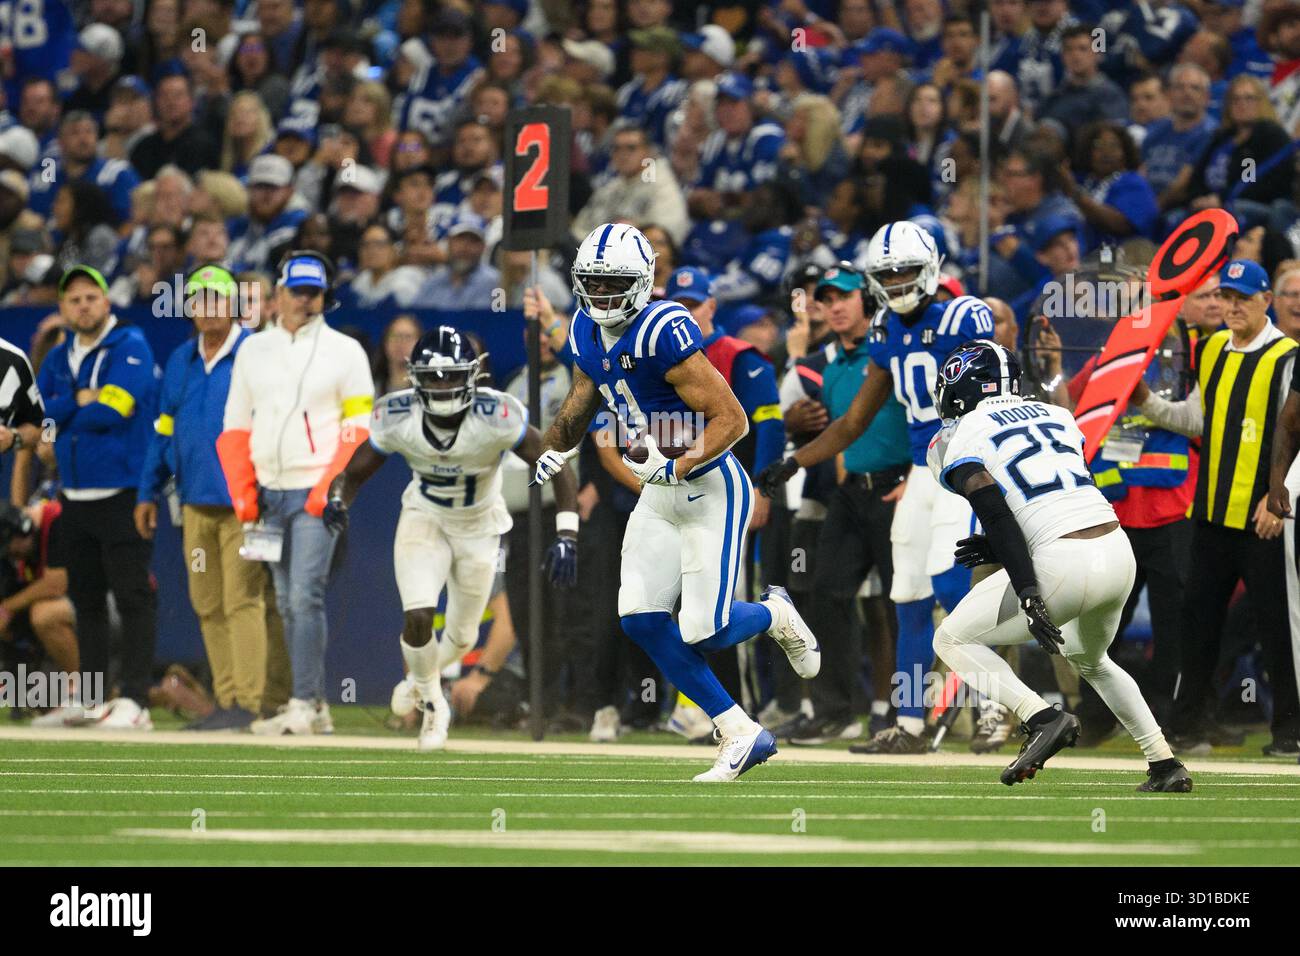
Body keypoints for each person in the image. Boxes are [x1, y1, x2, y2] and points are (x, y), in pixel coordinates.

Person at [530, 222, 820, 783]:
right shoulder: (587, 329)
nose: (604, 296)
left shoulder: (663, 329)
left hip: (711, 487)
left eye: (615, 284)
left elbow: (732, 419)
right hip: (659, 496)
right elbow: (578, 403)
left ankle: (773, 613)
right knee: (639, 618)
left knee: (703, 630)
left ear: (642, 284)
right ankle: (739, 731)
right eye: (594, 283)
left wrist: (677, 462)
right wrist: (554, 451)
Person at [758, 220, 996, 754]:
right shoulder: (886, 328)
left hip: (965, 466)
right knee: (907, 599)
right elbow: (851, 423)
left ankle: (997, 707)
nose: (895, 281)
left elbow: (995, 396)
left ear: (930, 268)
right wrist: (794, 462)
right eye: (885, 273)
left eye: (905, 270)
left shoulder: (963, 314)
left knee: (954, 593)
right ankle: (909, 725)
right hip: (922, 473)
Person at [926, 339, 1192, 792]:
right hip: (1114, 548)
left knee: (950, 638)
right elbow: (1054, 498)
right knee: (1093, 659)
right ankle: (1164, 763)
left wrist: (1027, 589)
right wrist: (998, 550)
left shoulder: (967, 431)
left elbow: (995, 513)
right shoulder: (1058, 415)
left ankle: (1042, 717)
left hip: (1061, 564)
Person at [326, 327, 580, 750]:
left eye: (451, 376)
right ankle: (431, 703)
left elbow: (557, 465)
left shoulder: (497, 415)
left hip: (480, 527)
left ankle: (417, 678)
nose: (442, 386)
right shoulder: (397, 415)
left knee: (461, 638)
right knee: (419, 615)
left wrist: (567, 532)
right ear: (415, 376)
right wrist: (338, 499)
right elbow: (353, 473)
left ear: (472, 375)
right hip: (425, 517)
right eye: (433, 376)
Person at [1136, 260, 1299, 757]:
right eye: (1225, 297)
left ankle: (1290, 730)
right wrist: (1145, 400)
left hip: (1263, 517)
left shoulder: (1288, 356)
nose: (1230, 307)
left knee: (1278, 624)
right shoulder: (1209, 350)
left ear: (1265, 301)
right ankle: (1188, 726)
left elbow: (1295, 432)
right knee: (1196, 620)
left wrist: (1279, 497)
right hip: (1209, 513)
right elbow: (1195, 419)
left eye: (1241, 299)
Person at [217, 250, 374, 736]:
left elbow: (359, 426)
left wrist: (331, 486)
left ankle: (302, 700)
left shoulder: (345, 351)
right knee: (284, 600)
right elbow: (235, 426)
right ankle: (318, 704)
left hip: (315, 491)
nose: (306, 300)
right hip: (268, 492)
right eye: (298, 291)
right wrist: (243, 493)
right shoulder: (252, 350)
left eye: (315, 293)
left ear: (324, 297)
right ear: (279, 294)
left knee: (304, 595)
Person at [780, 263, 911, 746]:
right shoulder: (832, 364)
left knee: (902, 602)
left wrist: (917, 479)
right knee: (828, 594)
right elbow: (842, 431)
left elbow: (922, 418)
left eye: (844, 298)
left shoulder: (891, 355)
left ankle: (904, 714)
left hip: (899, 487)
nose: (833, 306)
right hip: (852, 490)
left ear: (867, 301)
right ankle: (835, 710)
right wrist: (797, 457)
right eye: (827, 298)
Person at [136, 264, 268, 730]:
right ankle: (226, 700)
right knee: (207, 602)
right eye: (199, 299)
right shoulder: (180, 360)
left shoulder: (256, 354)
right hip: (193, 504)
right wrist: (147, 490)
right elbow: (163, 427)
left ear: (234, 305)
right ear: (190, 308)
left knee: (242, 602)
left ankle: (249, 704)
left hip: (243, 505)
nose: (208, 307)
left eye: (218, 298)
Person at [35, 264, 159, 729]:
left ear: (106, 302)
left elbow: (116, 407)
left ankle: (136, 702)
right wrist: (77, 402)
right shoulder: (58, 357)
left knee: (131, 595)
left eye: (91, 297)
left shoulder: (132, 344)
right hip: (74, 494)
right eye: (74, 300)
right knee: (85, 599)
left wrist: (73, 410)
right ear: (63, 309)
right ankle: (90, 698)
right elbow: (42, 411)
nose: (83, 306)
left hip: (123, 491)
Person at [0, 501, 79, 707]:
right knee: (43, 701)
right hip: (76, 615)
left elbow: (56, 584)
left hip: (108, 607)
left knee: (44, 614)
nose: (9, 553)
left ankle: (84, 696)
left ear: (23, 530)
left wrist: (6, 608)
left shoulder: (56, 520)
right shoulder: (23, 548)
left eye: (8, 544)